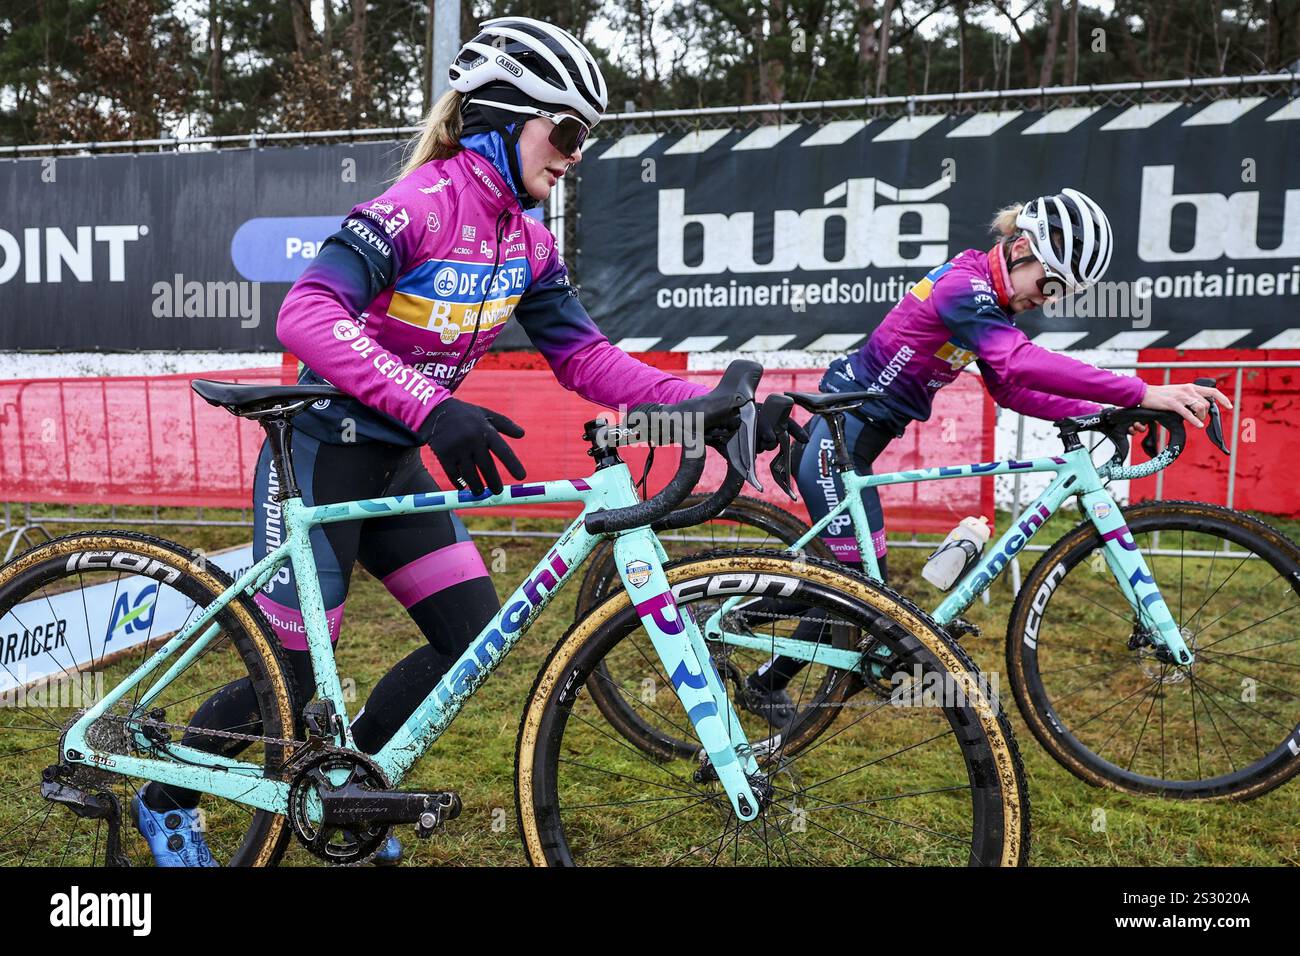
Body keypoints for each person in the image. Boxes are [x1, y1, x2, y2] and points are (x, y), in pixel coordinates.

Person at [132, 16, 719, 866]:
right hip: (319, 456)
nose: (575, 153)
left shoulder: (527, 242)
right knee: (289, 679)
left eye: (585, 137)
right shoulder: (417, 206)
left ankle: (345, 790)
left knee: (469, 638)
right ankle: (164, 797)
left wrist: (701, 405)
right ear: (509, 119)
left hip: (394, 463)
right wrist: (429, 406)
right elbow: (305, 314)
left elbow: (585, 357)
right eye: (567, 131)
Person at [741, 188, 1233, 722]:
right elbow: (1018, 364)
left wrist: (1095, 409)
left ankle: (745, 634)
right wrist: (1138, 390)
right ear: (1022, 248)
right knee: (861, 590)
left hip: (855, 440)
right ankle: (736, 632)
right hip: (838, 443)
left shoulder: (989, 300)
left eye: (1060, 294)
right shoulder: (964, 286)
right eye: (1049, 284)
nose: (1047, 299)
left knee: (859, 588)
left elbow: (1011, 389)